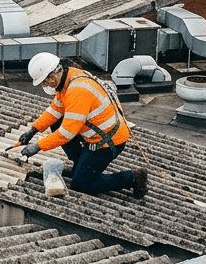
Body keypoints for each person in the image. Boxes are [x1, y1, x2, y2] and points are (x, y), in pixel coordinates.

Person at [15, 53, 148, 198]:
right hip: (100, 134)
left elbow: (67, 133)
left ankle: (133, 177)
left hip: (107, 143)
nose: (45, 86)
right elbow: (56, 109)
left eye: (44, 82)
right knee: (56, 122)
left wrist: (38, 146)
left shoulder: (77, 91)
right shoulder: (69, 77)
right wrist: (33, 130)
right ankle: (79, 165)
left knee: (82, 185)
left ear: (51, 77)